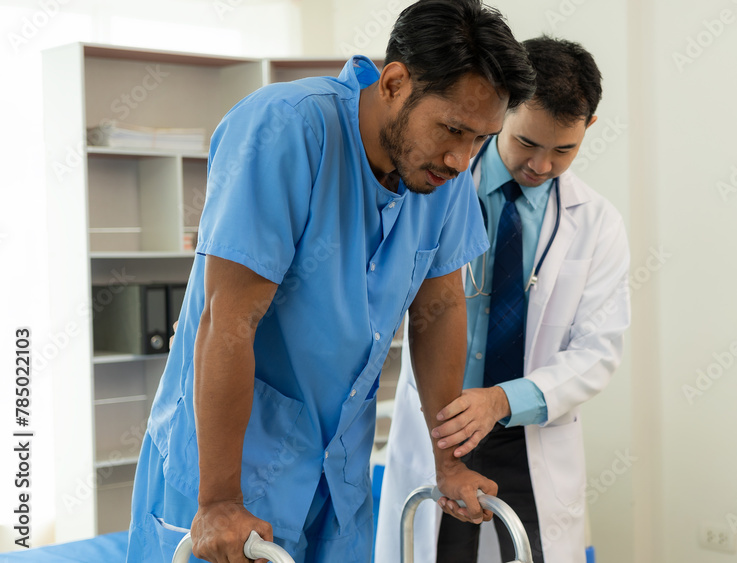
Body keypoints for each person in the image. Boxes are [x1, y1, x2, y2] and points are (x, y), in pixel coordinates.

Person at [124, 1, 536, 561]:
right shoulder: (285, 129)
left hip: (337, 476)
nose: (464, 158)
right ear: (394, 82)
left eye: (482, 139)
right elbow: (228, 322)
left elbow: (439, 308)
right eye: (453, 129)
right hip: (227, 473)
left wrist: (449, 463)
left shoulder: (444, 173)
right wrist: (219, 501)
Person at [374, 36, 630, 563]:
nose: (540, 165)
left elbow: (598, 351)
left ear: (589, 130)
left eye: (564, 150)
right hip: (440, 430)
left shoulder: (598, 222)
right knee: (436, 552)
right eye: (527, 143)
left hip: (529, 431)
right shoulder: (435, 187)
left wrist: (502, 400)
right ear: (501, 113)